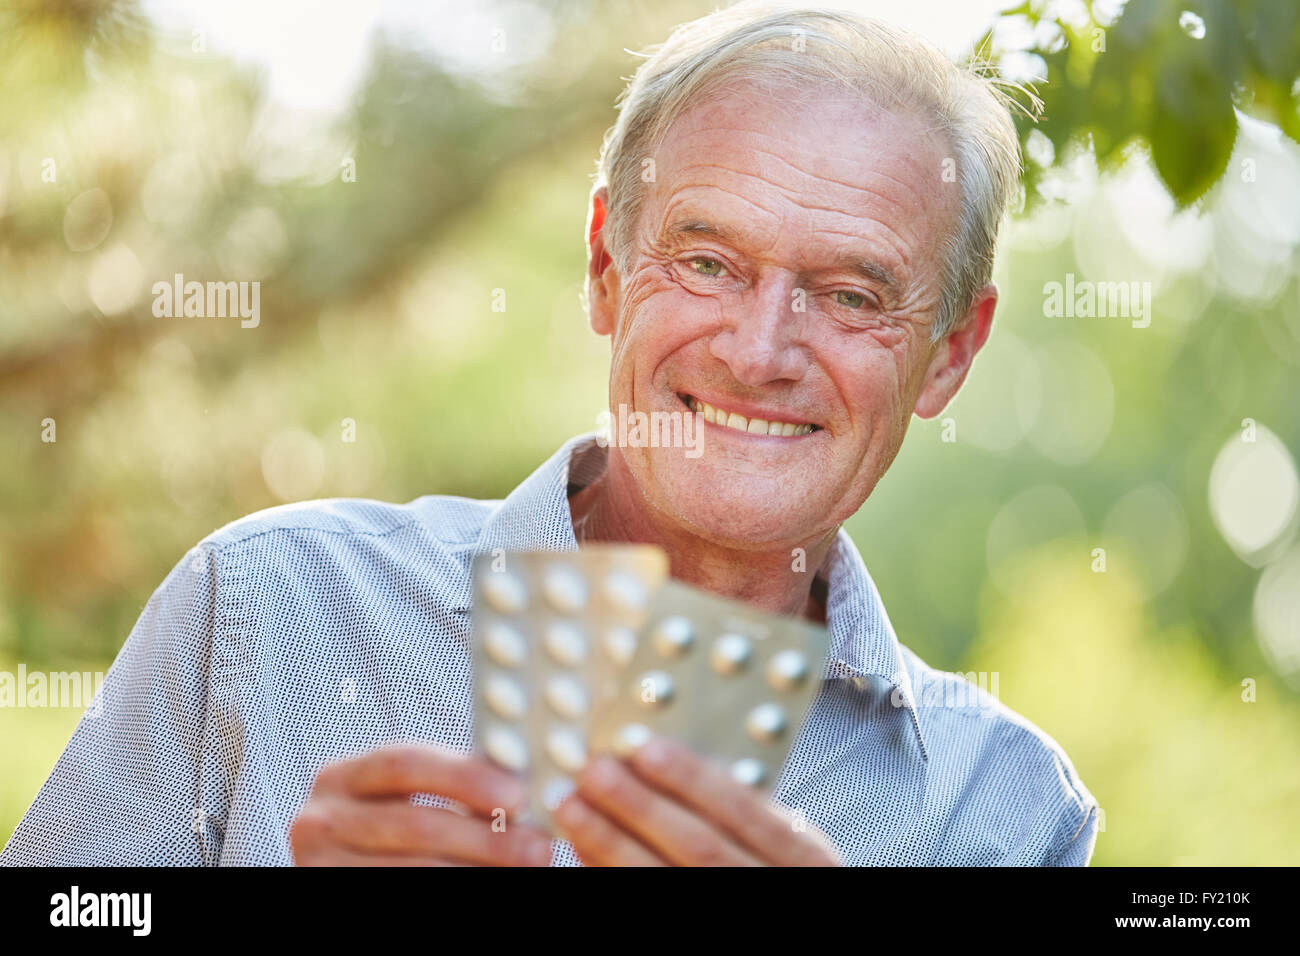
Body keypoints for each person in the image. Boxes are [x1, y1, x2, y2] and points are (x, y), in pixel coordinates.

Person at [1, 3, 1099, 867]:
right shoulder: (266, 607)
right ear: (606, 268)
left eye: (853, 293)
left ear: (950, 350)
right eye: (707, 262)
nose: (758, 350)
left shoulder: (1001, 812)